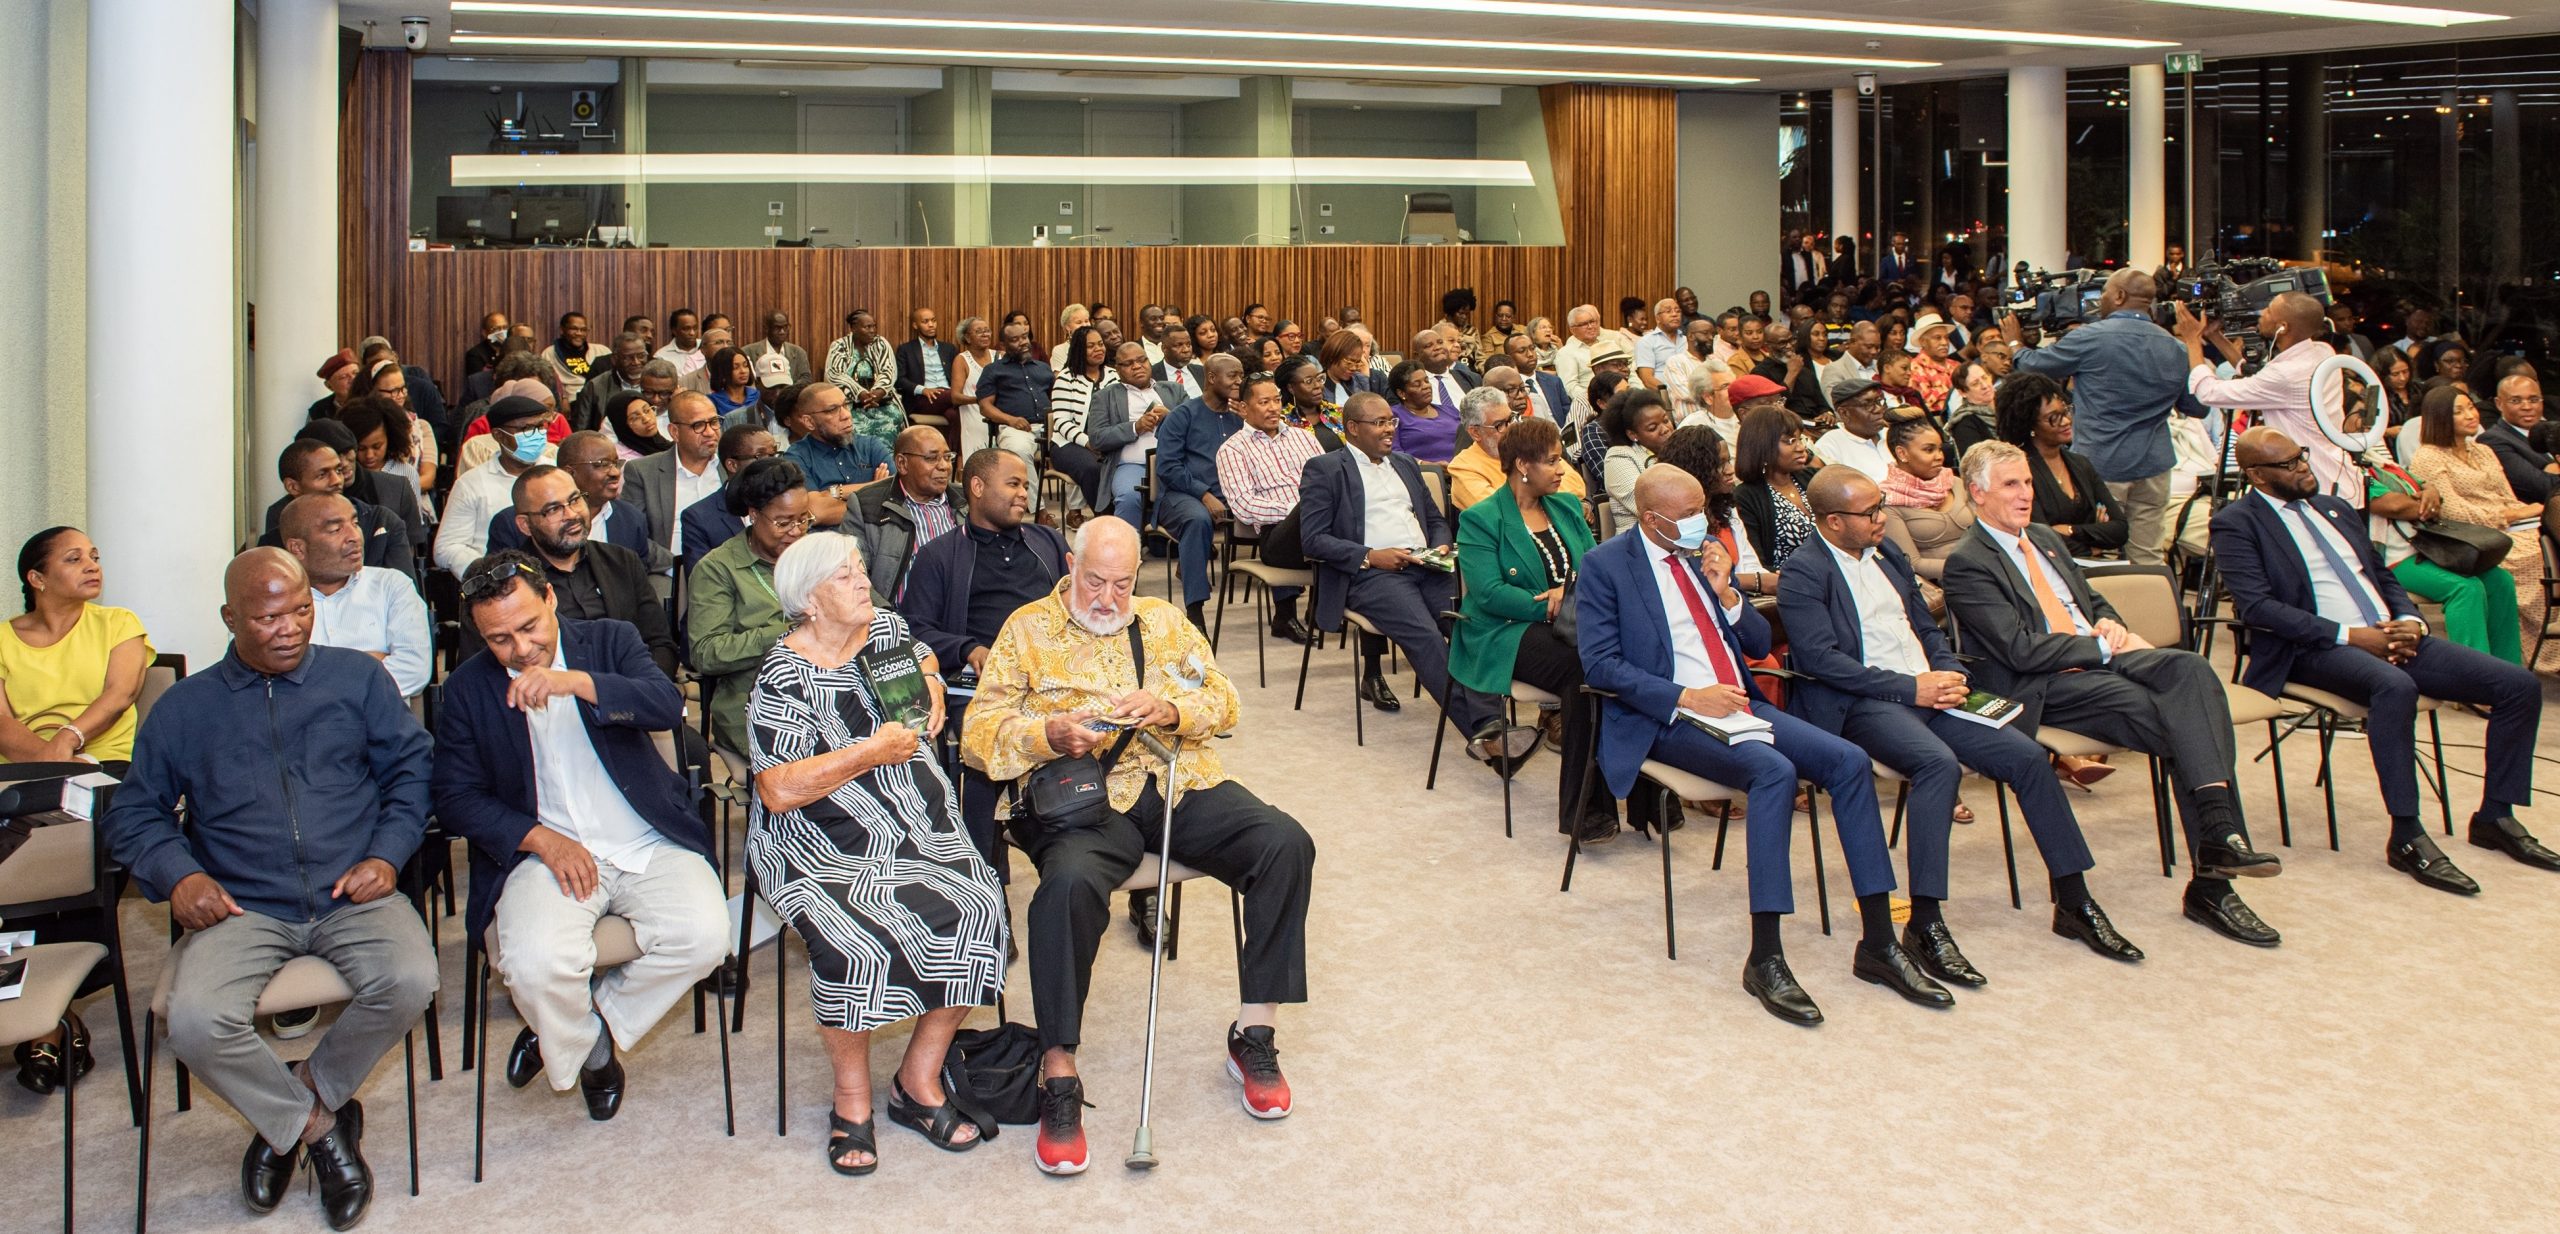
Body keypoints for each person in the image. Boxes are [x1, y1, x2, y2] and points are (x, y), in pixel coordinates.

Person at [960, 516, 1314, 1175]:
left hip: (1177, 780)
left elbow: (1224, 700)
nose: (1107, 599)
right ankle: (1057, 1068)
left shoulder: (1163, 622)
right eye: (1095, 581)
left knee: (1285, 843)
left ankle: (1253, 1033)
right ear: (1070, 565)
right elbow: (978, 733)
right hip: (1081, 797)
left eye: (1122, 584)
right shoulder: (1027, 628)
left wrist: (1172, 711)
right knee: (1065, 887)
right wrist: (1048, 735)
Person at [103, 549, 437, 1230]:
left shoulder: (357, 680)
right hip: (241, 904)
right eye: (268, 617)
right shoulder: (184, 709)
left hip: (354, 889)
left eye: (302, 610)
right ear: (230, 618)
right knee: (195, 1021)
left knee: (411, 978)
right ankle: (315, 1127)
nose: (290, 628)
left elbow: (412, 773)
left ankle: (296, 1103)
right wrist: (180, 875)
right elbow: (133, 814)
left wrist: (387, 854)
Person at [1578, 465, 1931, 1024]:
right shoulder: (1606, 567)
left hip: (1743, 704)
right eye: (1690, 514)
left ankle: (1879, 943)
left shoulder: (1706, 554)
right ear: (1652, 519)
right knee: (1772, 773)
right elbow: (1600, 664)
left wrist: (1730, 596)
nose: (1703, 522)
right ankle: (1765, 955)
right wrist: (1688, 696)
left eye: (1704, 510)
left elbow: (1759, 642)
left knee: (1848, 761)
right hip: (1670, 716)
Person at [1781, 467, 2135, 983]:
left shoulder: (1887, 554)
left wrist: (1949, 671)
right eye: (1870, 513)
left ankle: (2074, 900)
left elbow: (1927, 624)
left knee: (2029, 758)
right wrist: (1911, 688)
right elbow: (1820, 660)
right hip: (1864, 700)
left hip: (1929, 689)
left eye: (1882, 507)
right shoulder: (1804, 571)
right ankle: (1925, 922)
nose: (1883, 519)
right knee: (1937, 765)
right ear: (1833, 522)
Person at [1941, 442, 2288, 947]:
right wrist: (2098, 646)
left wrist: (2111, 624)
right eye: (2011, 484)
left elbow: (2090, 598)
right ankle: (2215, 874)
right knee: (2185, 722)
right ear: (1977, 493)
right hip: (2048, 682)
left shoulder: (2043, 537)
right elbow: (2018, 650)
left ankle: (2217, 840)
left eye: (2029, 483)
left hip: (2103, 658)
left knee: (2191, 672)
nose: (2026, 494)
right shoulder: (1968, 562)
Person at [432, 551, 728, 1121]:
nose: (520, 650)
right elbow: (454, 796)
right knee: (537, 965)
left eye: (528, 628)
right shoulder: (470, 688)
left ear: (550, 600)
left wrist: (579, 683)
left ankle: (575, 1032)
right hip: (546, 854)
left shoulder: (608, 641)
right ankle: (592, 1053)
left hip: (645, 836)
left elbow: (665, 706)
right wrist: (537, 838)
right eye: (499, 639)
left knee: (706, 938)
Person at [740, 532, 1003, 1172]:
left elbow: (925, 660)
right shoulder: (782, 677)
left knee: (977, 902)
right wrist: (867, 753)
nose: (864, 583)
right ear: (808, 601)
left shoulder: (883, 629)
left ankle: (917, 1080)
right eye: (845, 577)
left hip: (911, 810)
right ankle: (850, 1099)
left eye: (861, 570)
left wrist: (934, 690)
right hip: (814, 834)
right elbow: (777, 789)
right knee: (855, 937)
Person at [2214, 427, 2556, 892]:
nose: (2303, 468)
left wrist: (2410, 622)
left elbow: (2382, 575)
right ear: (2256, 474)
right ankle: (2407, 833)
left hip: (2392, 634)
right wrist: (2351, 635)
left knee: (2518, 685)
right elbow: (2257, 607)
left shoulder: (2334, 508)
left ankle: (2496, 815)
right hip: (2313, 649)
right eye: (2288, 464)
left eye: (2302, 457)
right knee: (2395, 688)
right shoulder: (2237, 521)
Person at [1297, 392, 1532, 770]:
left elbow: (1436, 520)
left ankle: (1491, 726)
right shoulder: (1325, 469)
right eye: (1380, 423)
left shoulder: (1405, 463)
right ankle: (1488, 735)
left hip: (1427, 566)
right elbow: (1313, 539)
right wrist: (1371, 555)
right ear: (1352, 429)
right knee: (1424, 637)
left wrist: (1440, 546)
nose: (1390, 429)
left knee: (1472, 625)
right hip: (1372, 574)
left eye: (1391, 421)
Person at [899, 448, 1066, 871]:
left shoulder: (1047, 542)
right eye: (1013, 484)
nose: (1024, 495)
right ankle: (986, 885)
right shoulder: (939, 556)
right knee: (982, 754)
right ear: (976, 487)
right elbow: (915, 628)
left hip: (1057, 677)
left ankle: (1133, 881)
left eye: (1026, 486)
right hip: (981, 686)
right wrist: (968, 648)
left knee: (1122, 743)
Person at [1451, 415, 1610, 839]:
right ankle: (1583, 810)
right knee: (1585, 671)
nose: (1563, 470)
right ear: (1523, 465)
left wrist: (1567, 593)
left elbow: (1595, 566)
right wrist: (1551, 606)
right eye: (1553, 461)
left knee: (1623, 658)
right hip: (1503, 631)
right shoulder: (1482, 519)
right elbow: (1488, 593)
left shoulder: (1567, 507)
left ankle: (1642, 797)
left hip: (1570, 621)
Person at [2004, 270, 2201, 567]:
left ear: (2119, 296)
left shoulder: (2091, 338)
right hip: (2155, 465)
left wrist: (2014, 345)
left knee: (2095, 554)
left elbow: (2033, 366)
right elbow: (2197, 407)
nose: (2100, 301)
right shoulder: (2175, 347)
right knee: (2147, 556)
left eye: (2105, 294)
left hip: (2100, 466)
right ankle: (2151, 610)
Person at [472, 464, 679, 677]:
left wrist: (640, 692)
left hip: (626, 695)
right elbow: (484, 668)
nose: (571, 514)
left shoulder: (622, 561)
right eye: (553, 509)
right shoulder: (507, 586)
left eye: (575, 500)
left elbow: (660, 644)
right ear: (525, 525)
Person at [2177, 292, 2356, 504]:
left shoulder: (2285, 375)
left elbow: (2207, 391)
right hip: (2335, 476)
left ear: (2283, 327)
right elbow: (2256, 376)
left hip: (2312, 485)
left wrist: (2191, 340)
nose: (2261, 314)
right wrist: (2215, 336)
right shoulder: (2322, 351)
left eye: (2269, 310)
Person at [689, 457, 813, 755]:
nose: (796, 531)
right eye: (783, 523)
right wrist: (788, 634)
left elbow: (877, 610)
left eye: (803, 519)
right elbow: (706, 652)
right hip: (757, 700)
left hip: (828, 691)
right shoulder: (718, 568)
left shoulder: (815, 554)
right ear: (753, 515)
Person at [2406, 385, 2549, 641]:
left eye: (2471, 407)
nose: (2471, 415)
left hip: (2515, 525)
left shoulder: (2483, 450)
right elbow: (2453, 512)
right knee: (2539, 555)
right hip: (2473, 538)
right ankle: (2542, 646)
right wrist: (2512, 515)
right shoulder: (2428, 457)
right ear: (2440, 418)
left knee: (2549, 542)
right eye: (2459, 412)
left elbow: (2507, 496)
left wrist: (2519, 514)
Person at [279, 495, 430, 700]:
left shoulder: (392, 586)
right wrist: (369, 663)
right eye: (335, 530)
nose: (355, 536)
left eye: (355, 523)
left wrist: (311, 684)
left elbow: (414, 671)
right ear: (298, 548)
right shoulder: (275, 601)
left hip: (377, 729)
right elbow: (268, 680)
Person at [1214, 372, 1326, 644]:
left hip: (1318, 525)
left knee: (1341, 506)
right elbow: (1244, 505)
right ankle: (1292, 613)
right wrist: (1297, 510)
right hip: (1276, 538)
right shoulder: (1232, 450)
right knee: (1312, 509)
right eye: (1264, 402)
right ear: (1243, 408)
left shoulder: (1304, 438)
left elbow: (1329, 480)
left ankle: (1322, 608)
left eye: (1277, 400)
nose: (1274, 407)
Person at [1155, 353, 1247, 629]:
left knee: (1277, 515)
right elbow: (1168, 467)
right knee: (1197, 519)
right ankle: (1194, 611)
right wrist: (1204, 494)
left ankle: (1285, 609)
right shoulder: (1184, 415)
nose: (1239, 382)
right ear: (1211, 377)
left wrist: (1252, 425)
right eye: (1233, 376)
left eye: (1241, 376)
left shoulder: (1240, 416)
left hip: (1233, 494)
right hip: (1183, 495)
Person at [1996, 372, 2129, 559]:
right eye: (2053, 417)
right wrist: (2092, 546)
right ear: (2030, 426)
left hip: (2095, 565)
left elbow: (2120, 529)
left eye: (2065, 411)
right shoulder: (2020, 471)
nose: (2066, 421)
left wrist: (2071, 530)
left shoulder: (2080, 464)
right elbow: (2038, 539)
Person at [437, 395, 559, 577]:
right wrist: (490, 572)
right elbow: (446, 548)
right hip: (495, 584)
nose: (536, 435)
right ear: (499, 435)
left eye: (540, 427)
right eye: (526, 429)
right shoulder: (471, 483)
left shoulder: (557, 474)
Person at [851, 425, 963, 603]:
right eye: (932, 458)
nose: (944, 466)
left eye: (948, 457)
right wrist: (889, 619)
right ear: (902, 463)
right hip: (899, 617)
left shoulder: (967, 502)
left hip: (959, 615)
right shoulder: (866, 505)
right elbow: (853, 575)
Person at [1450, 376, 1586, 514]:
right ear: (1475, 433)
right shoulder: (1463, 467)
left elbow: (1577, 487)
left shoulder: (1529, 445)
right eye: (1500, 425)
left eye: (1511, 419)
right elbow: (1498, 511)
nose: (1511, 428)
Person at [626, 390, 727, 563]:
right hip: (671, 573)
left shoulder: (732, 466)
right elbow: (634, 535)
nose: (710, 432)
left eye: (714, 422)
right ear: (674, 432)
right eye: (699, 425)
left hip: (733, 570)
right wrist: (676, 567)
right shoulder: (642, 472)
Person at [784, 381, 892, 527]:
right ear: (809, 422)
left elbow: (897, 494)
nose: (846, 415)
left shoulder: (871, 445)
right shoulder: (796, 457)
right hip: (828, 545)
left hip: (878, 539)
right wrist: (875, 489)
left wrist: (833, 493)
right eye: (832, 410)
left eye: (846, 405)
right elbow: (816, 512)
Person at [1877, 419, 1976, 579]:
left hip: (1986, 567)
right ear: (1902, 453)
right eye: (1929, 450)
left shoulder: (1955, 482)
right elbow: (1912, 563)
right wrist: (1973, 568)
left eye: (1940, 449)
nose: (1940, 457)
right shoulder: (1889, 502)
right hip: (1945, 582)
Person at [680, 426, 781, 578]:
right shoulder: (699, 518)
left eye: (774, 454)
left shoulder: (787, 504)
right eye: (761, 456)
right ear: (732, 465)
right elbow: (702, 581)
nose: (773, 463)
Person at [1732, 404, 1820, 570]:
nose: (1801, 448)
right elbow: (1757, 562)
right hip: (1789, 581)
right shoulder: (1745, 497)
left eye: (1800, 439)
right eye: (1789, 441)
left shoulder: (1812, 478)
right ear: (1763, 446)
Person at [972, 319, 1051, 474]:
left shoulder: (1043, 368)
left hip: (1049, 429)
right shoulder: (993, 370)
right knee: (1018, 452)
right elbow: (985, 407)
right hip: (1014, 429)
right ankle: (1032, 499)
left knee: (1077, 451)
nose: (1022, 342)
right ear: (1003, 345)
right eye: (1015, 340)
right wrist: (1011, 420)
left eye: (1024, 337)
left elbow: (1056, 399)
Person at [1600, 387, 1677, 530]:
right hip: (1637, 542)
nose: (1665, 429)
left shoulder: (1677, 450)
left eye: (1665, 420)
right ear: (1632, 434)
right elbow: (1646, 505)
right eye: (1653, 428)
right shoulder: (1618, 457)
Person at [2482, 370, 2558, 507]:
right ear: (2499, 404)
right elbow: (2543, 487)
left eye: (2534, 400)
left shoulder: (2552, 429)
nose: (2527, 407)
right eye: (2516, 401)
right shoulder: (2493, 440)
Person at [1385, 357, 1466, 466]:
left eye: (1426, 381)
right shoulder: (1393, 415)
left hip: (1462, 470)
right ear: (1402, 393)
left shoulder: (1450, 410)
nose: (1426, 386)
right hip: (1424, 475)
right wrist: (1426, 465)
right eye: (1417, 384)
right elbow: (1393, 453)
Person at [1812, 374, 1893, 482]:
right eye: (1868, 404)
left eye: (1879, 401)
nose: (1878, 409)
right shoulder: (1829, 446)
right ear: (1844, 413)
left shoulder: (1893, 433)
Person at [893, 307, 958, 432]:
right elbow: (900, 379)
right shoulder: (906, 350)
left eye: (933, 321)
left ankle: (955, 451)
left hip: (947, 396)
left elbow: (958, 375)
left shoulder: (948, 349)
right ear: (915, 325)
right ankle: (973, 399)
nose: (931, 325)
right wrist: (923, 390)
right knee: (959, 399)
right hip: (922, 399)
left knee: (954, 415)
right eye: (925, 322)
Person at [1944, 360, 2001, 462]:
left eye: (1985, 378)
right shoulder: (1964, 422)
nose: (1985, 385)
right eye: (1975, 384)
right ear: (1962, 392)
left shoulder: (2008, 406)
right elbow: (1976, 463)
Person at [744, 311, 812, 385]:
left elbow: (806, 378)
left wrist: (788, 392)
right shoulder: (748, 352)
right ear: (766, 328)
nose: (782, 332)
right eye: (777, 328)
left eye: (785, 327)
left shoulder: (798, 352)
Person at [704, 345, 761, 420]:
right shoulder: (712, 401)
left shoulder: (757, 395)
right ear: (722, 371)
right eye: (736, 367)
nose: (743, 371)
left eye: (745, 365)